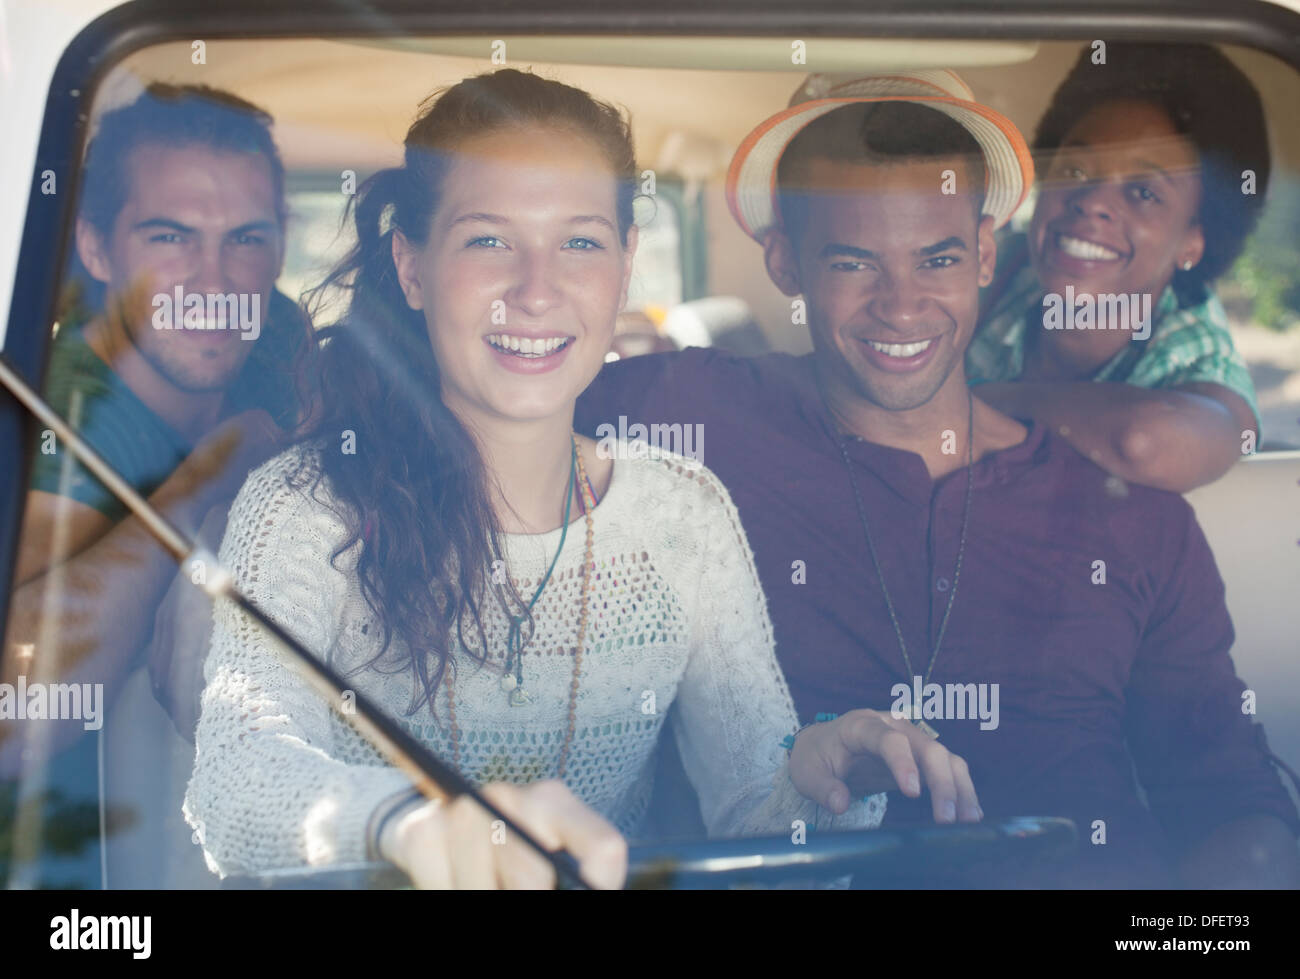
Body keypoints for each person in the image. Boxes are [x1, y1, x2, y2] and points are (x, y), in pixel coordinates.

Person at [182, 69, 941, 891]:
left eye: (579, 241)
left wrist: (827, 771)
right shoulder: (304, 505)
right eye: (488, 240)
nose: (536, 290)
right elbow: (235, 778)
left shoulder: (682, 513)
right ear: (411, 267)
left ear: (623, 268)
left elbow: (756, 813)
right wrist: (410, 820)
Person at [575, 69, 1300, 888]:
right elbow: (456, 408)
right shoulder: (685, 410)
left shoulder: (1135, 522)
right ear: (784, 261)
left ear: (987, 254)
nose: (903, 305)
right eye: (854, 262)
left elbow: (1230, 802)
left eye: (938, 258)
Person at [1, 83, 314, 770]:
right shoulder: (45, 417)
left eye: (246, 239)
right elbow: (16, 722)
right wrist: (205, 480)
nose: (215, 282)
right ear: (96, 247)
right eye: (170, 236)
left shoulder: (279, 338)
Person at [966, 43, 1268, 492]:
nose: (1091, 203)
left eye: (1143, 192)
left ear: (1193, 242)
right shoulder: (1002, 264)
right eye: (1073, 171)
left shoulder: (1202, 361)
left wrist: (964, 408)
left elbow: (1143, 442)